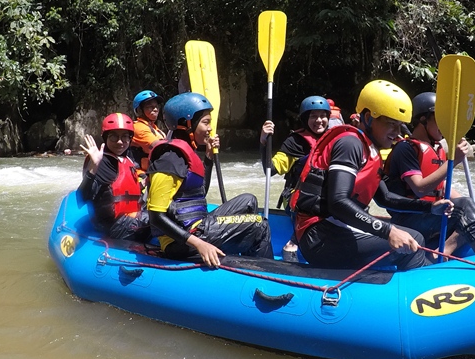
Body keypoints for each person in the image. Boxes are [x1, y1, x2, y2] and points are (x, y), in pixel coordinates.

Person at [290, 80, 452, 271]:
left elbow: (386, 199)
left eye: (400, 126)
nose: (397, 132)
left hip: (334, 228)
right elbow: (338, 202)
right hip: (319, 236)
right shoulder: (350, 144)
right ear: (368, 118)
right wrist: (388, 231)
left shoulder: (370, 150)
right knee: (414, 241)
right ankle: (420, 292)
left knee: (413, 237)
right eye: (391, 124)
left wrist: (429, 207)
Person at [146, 92, 272, 267]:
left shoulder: (183, 153)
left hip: (196, 226)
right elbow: (156, 216)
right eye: (206, 122)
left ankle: (243, 256)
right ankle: (268, 274)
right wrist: (200, 244)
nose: (210, 128)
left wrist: (208, 157)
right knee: (260, 224)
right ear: (186, 124)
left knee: (248, 200)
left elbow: (199, 194)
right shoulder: (168, 159)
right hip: (179, 242)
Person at [384, 92, 475, 255]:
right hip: (410, 218)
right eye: (440, 119)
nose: (445, 126)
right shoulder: (406, 149)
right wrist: (453, 162)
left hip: (435, 212)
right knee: (465, 206)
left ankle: (444, 250)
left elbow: (442, 187)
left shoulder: (436, 149)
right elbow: (419, 189)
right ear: (423, 119)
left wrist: (470, 206)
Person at [78, 113, 151, 241]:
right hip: (114, 226)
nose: (120, 142)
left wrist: (144, 182)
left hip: (131, 218)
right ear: (105, 138)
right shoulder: (101, 161)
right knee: (160, 219)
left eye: (125, 137)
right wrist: (93, 166)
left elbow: (127, 189)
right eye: (113, 137)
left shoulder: (126, 158)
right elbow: (84, 196)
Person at [258, 95, 332, 210]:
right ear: (305, 119)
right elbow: (270, 169)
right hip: (298, 198)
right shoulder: (295, 142)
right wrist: (263, 142)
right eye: (313, 116)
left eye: (323, 116)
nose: (319, 120)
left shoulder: (334, 139)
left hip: (324, 196)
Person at [130, 89, 165, 171]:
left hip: (156, 171)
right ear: (139, 110)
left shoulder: (156, 129)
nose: (155, 109)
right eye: (150, 107)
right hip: (141, 176)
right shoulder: (138, 127)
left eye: (156, 106)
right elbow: (159, 147)